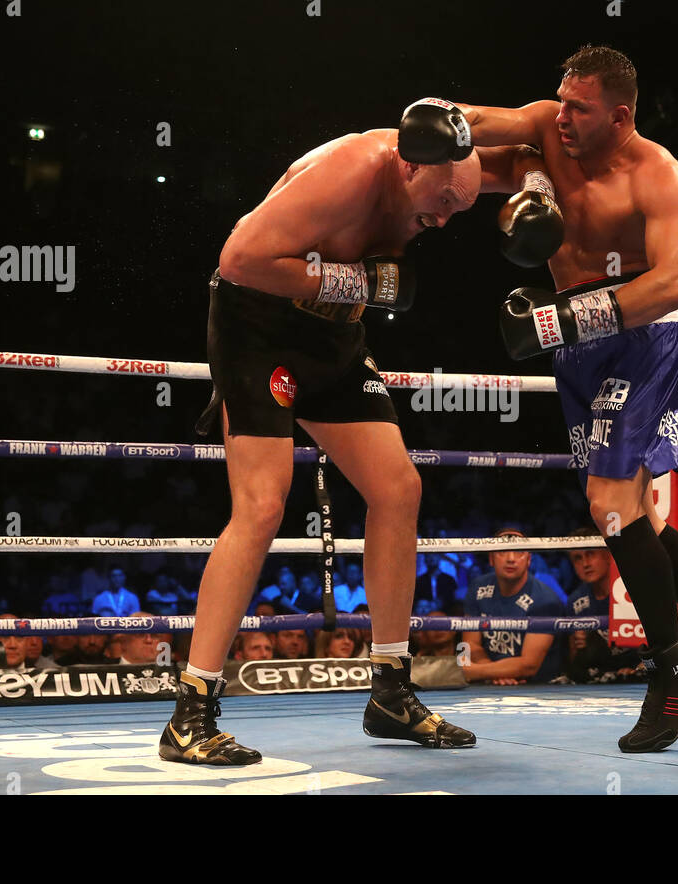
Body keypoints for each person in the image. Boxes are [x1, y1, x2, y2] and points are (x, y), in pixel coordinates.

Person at [406, 46, 678, 751]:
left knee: (610, 504)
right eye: (561, 100)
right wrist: (434, 125)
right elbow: (490, 122)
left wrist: (558, 318)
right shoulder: (548, 129)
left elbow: (673, 285)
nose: (562, 115)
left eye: (579, 107)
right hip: (579, 348)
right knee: (629, 514)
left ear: (621, 114)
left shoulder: (659, 175)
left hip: (640, 336)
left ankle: (674, 672)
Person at [160, 120, 491, 764]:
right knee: (260, 506)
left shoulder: (447, 162)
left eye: (462, 208)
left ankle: (391, 690)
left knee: (398, 488)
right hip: (258, 329)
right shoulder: (350, 173)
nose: (447, 220)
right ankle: (191, 711)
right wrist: (360, 284)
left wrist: (540, 189)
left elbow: (532, 146)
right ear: (411, 168)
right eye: (445, 202)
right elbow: (239, 260)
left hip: (332, 341)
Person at [460, 529, 564, 684]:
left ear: (528, 560)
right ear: (491, 559)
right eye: (502, 551)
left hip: (538, 687)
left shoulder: (545, 599)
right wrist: (492, 672)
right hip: (491, 683)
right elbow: (470, 643)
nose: (510, 559)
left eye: (518, 552)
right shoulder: (478, 587)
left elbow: (529, 665)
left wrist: (473, 671)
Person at [564, 527, 640, 681]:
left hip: (637, 671)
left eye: (590, 554)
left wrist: (641, 667)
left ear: (607, 555)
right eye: (578, 558)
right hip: (600, 677)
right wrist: (579, 647)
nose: (585, 564)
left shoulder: (634, 590)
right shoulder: (576, 601)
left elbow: (659, 641)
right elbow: (575, 663)